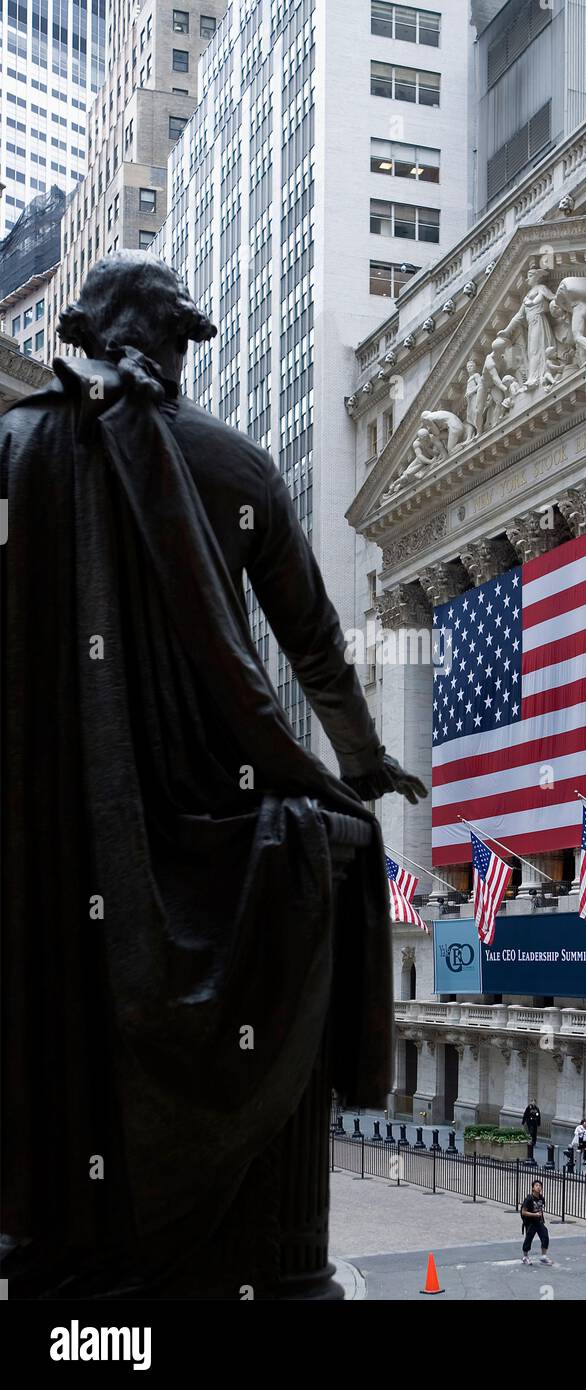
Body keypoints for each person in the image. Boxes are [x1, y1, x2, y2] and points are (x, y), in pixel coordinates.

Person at [0, 252, 427, 1300]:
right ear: (169, 344)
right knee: (333, 848)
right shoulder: (233, 464)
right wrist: (361, 763)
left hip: (51, 831)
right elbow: (316, 644)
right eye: (185, 341)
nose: (190, 360)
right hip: (208, 823)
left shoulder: (14, 450)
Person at [521, 1180, 552, 1266]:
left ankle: (543, 1256)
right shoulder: (529, 1199)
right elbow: (524, 1212)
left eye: (540, 1186)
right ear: (533, 1188)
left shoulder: (541, 1198)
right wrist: (534, 1214)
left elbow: (540, 1209)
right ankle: (525, 1257)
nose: (538, 1187)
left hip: (539, 1222)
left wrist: (540, 1216)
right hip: (530, 1222)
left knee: (545, 1236)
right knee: (528, 1239)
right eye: (536, 1185)